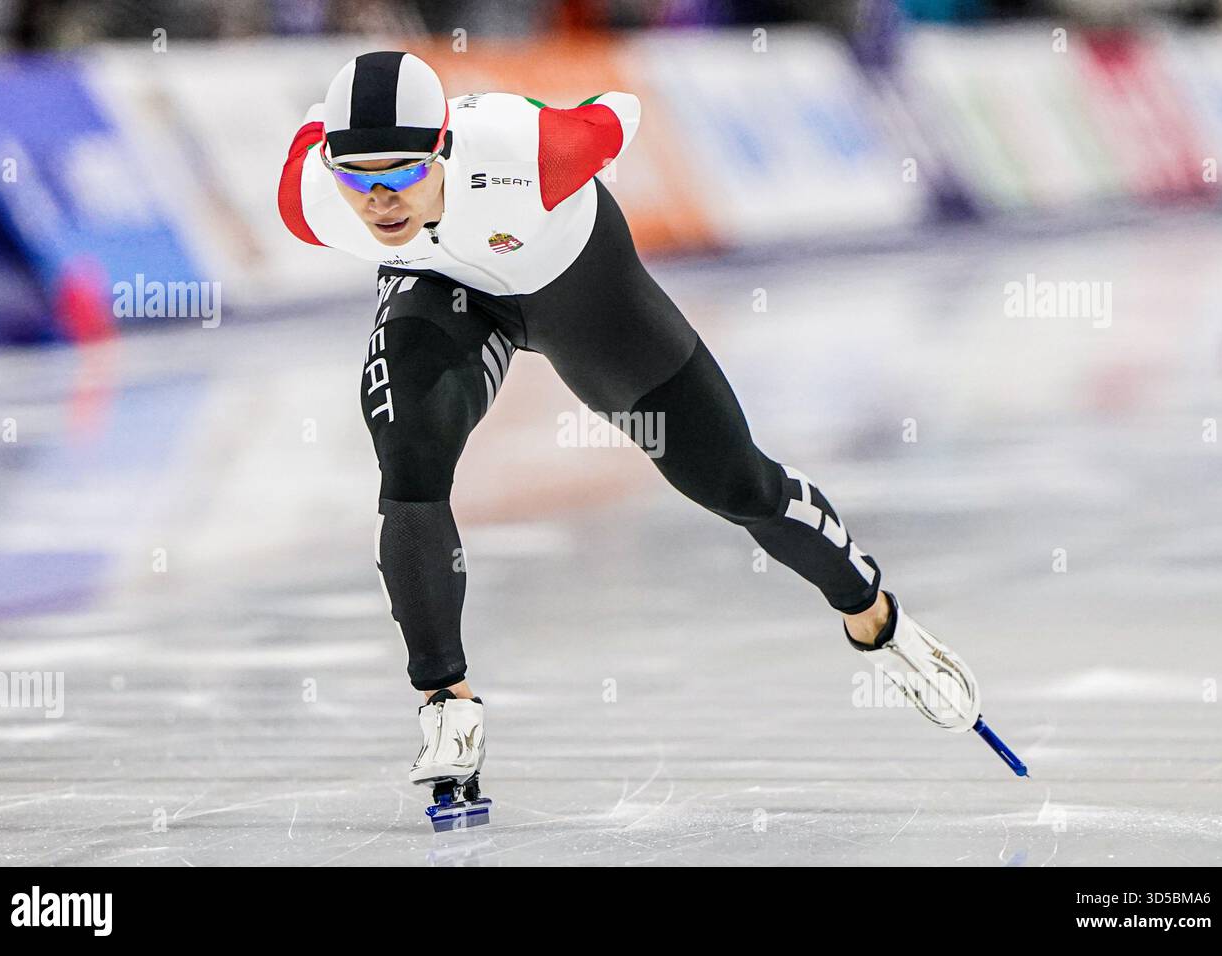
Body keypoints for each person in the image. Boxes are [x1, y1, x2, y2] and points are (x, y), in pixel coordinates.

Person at [278, 51, 983, 816]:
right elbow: (320, 138)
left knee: (738, 486)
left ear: (445, 147)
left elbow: (621, 108)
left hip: (582, 291)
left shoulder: (531, 155)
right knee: (409, 463)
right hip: (444, 294)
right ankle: (447, 702)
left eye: (403, 172)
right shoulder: (309, 199)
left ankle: (875, 616)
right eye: (356, 175)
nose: (379, 200)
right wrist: (349, 162)